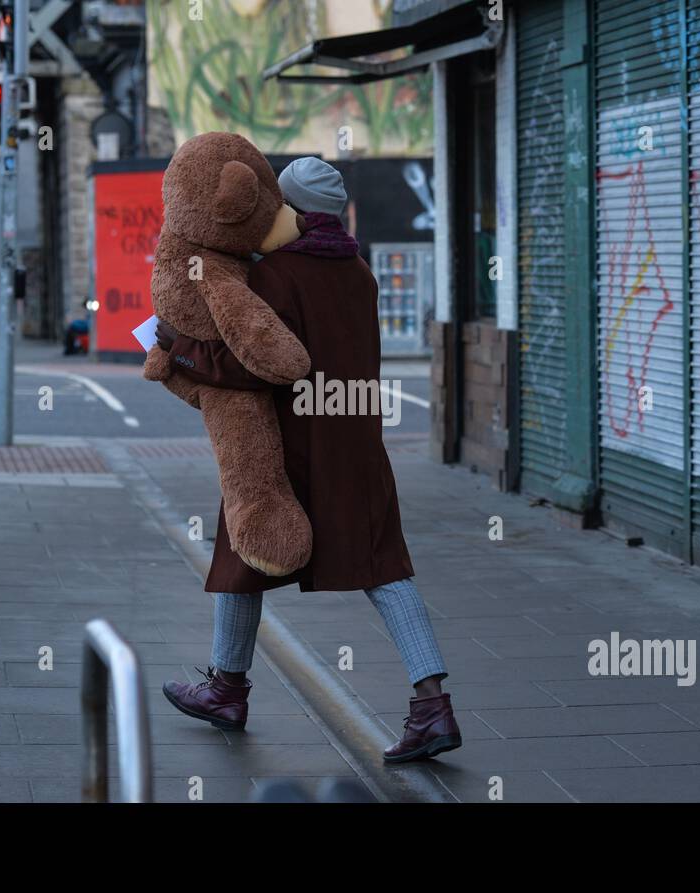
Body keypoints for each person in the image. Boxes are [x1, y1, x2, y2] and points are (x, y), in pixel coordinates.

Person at [157, 157, 461, 764]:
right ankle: (432, 706)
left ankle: (226, 688)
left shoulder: (277, 277)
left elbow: (251, 365)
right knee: (383, 567)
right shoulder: (361, 273)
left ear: (290, 210)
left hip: (293, 446)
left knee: (243, 552)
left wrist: (175, 350)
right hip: (358, 446)